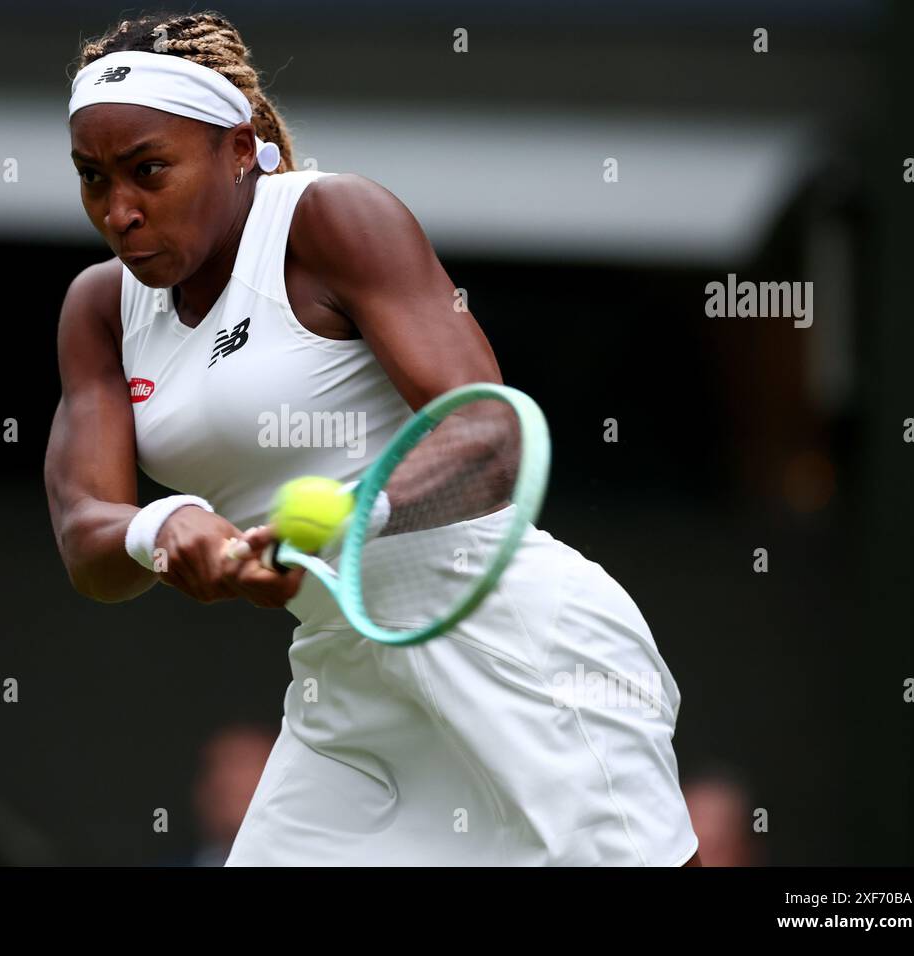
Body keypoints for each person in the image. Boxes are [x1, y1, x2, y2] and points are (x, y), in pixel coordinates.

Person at [44, 10, 701, 866]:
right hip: (344, 681)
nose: (120, 211)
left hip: (519, 647)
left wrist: (352, 516)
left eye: (148, 171)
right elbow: (86, 538)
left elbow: (490, 432)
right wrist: (162, 527)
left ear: (239, 149)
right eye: (92, 178)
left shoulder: (331, 218)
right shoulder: (99, 307)